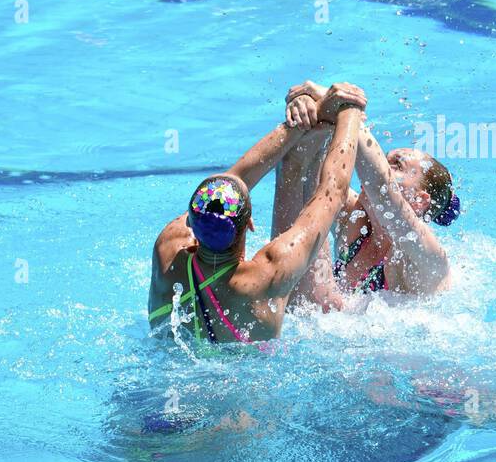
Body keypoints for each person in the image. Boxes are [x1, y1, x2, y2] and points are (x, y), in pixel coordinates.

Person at [148, 82, 366, 346]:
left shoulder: (168, 249)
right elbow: (333, 190)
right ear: (249, 223)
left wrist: (306, 117)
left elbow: (236, 176)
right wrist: (350, 108)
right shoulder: (267, 276)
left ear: (192, 222)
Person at [276, 81, 459, 306]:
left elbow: (381, 188)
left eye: (397, 165)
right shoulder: (355, 217)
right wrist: (311, 112)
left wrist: (344, 107)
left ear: (420, 201)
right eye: (384, 161)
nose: (383, 167)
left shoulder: (427, 256)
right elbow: (308, 174)